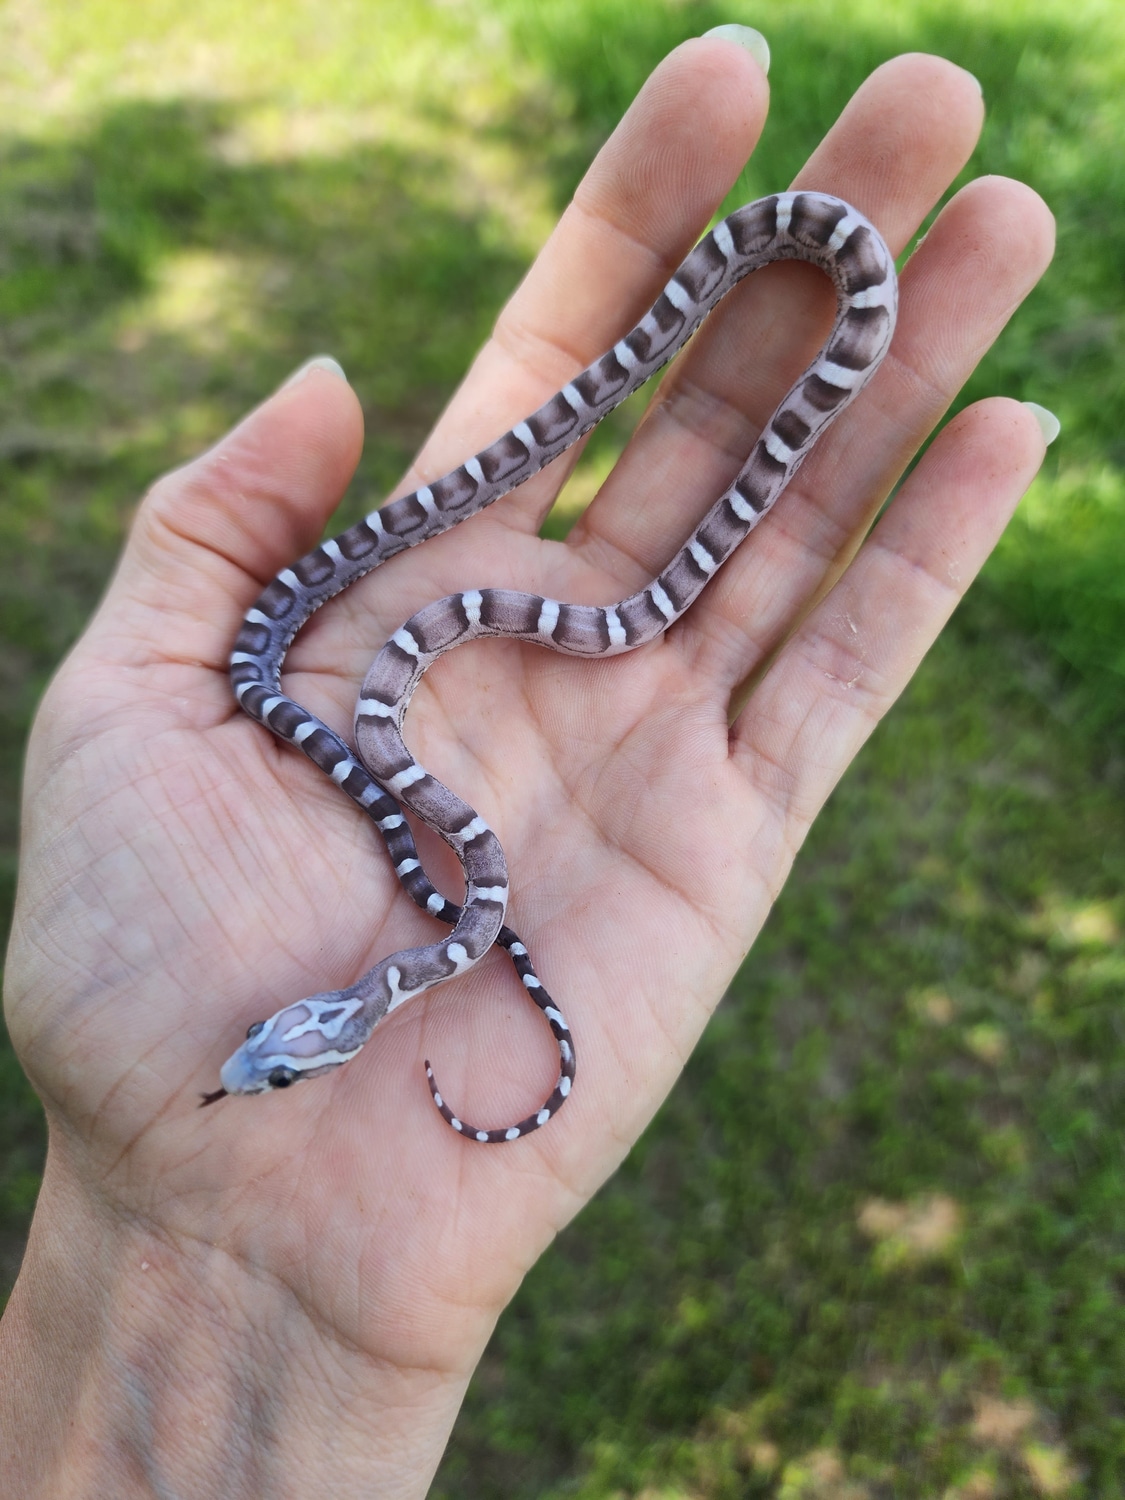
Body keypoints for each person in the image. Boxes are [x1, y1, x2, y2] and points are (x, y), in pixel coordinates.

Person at [0, 30, 1055, 1498]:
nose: (263, 1055)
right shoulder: (439, 929)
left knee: (547, 587)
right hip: (443, 855)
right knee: (376, 683)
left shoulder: (431, 925)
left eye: (270, 1048)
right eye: (277, 1060)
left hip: (478, 782)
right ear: (327, 1031)